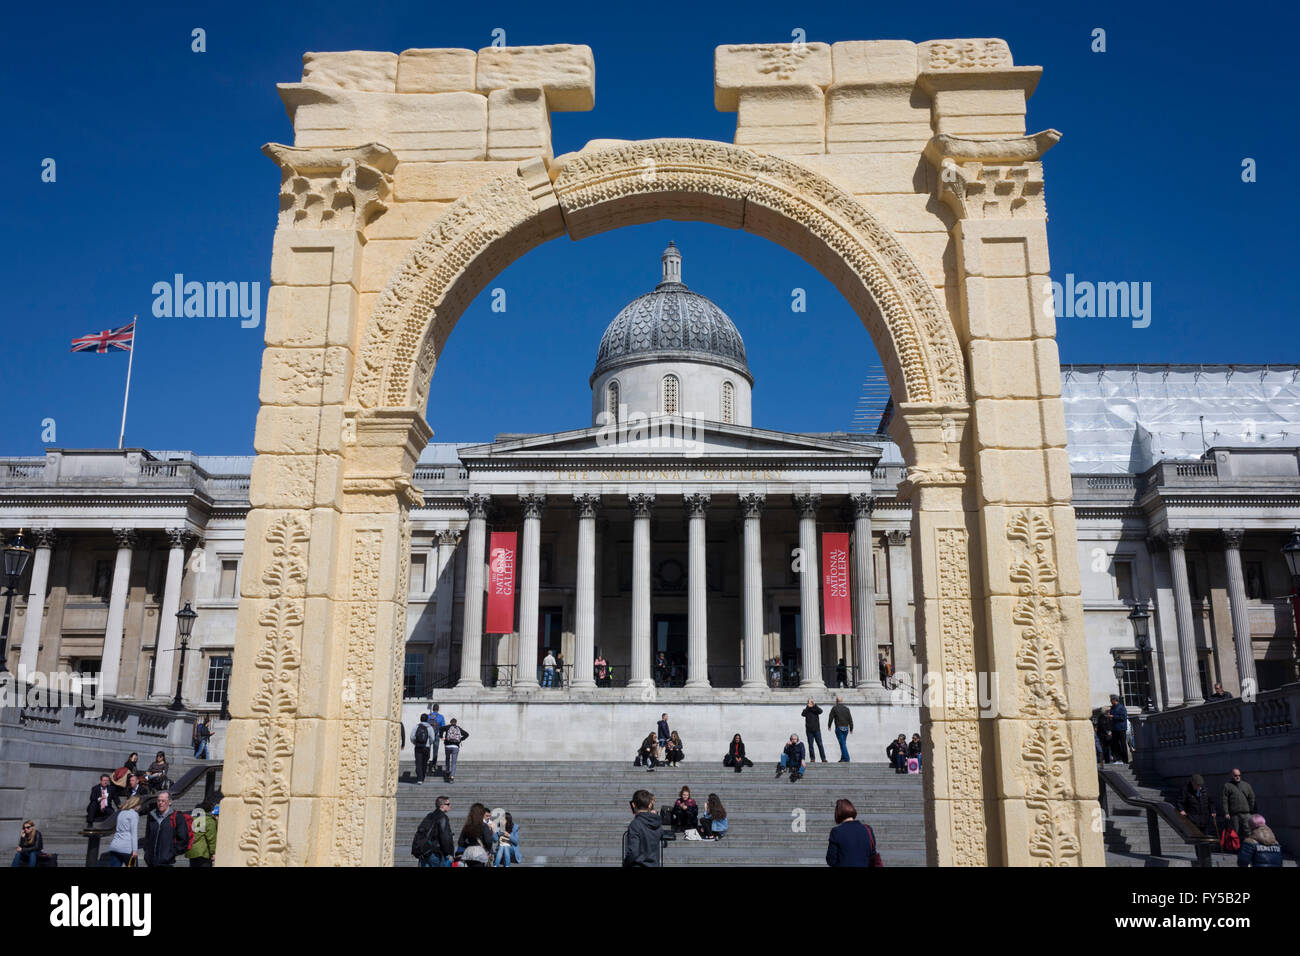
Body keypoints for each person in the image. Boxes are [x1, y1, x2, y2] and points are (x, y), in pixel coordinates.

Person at [144, 791, 190, 868]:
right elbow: (148, 835)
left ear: (169, 802)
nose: (160, 803)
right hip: (151, 861)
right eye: (158, 800)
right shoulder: (152, 815)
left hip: (166, 862)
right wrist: (147, 852)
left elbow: (184, 839)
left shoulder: (177, 817)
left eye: (163, 801)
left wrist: (171, 853)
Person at [826, 798, 878, 867]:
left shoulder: (836, 832)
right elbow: (873, 855)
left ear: (837, 813)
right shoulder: (867, 829)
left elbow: (831, 860)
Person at [1179, 774, 1217, 868]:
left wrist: (1213, 811)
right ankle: (1200, 858)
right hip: (1193, 819)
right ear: (1193, 783)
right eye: (1197, 785)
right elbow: (1180, 801)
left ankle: (1207, 858)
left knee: (1206, 839)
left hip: (1204, 819)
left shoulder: (1204, 790)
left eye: (1200, 785)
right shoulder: (1186, 790)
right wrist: (1182, 810)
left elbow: (1211, 802)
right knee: (1198, 841)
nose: (1199, 787)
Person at [623, 789, 663, 867]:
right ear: (649, 805)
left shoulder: (635, 824)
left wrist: (626, 863)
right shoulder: (657, 822)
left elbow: (634, 851)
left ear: (634, 805)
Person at [413, 795, 455, 867]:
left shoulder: (430, 815)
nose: (450, 806)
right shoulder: (443, 818)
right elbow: (445, 837)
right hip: (436, 853)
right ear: (442, 806)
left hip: (426, 851)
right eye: (448, 804)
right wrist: (449, 853)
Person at [1221, 768, 1257, 839]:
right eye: (1235, 775)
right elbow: (1224, 800)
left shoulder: (1246, 785)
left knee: (1248, 833)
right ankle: (1235, 849)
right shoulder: (1227, 786)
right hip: (1234, 815)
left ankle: (1249, 848)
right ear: (1231, 775)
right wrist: (1226, 812)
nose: (1237, 777)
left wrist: (1251, 810)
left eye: (1239, 775)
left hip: (1246, 814)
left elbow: (1252, 798)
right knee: (1234, 833)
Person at [106, 796, 142, 867]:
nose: (140, 806)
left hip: (115, 845)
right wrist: (135, 850)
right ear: (136, 804)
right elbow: (134, 833)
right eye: (140, 804)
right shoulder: (134, 814)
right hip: (127, 848)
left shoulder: (121, 813)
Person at [185, 801, 218, 867]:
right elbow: (211, 839)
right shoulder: (209, 820)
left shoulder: (193, 819)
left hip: (192, 851)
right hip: (203, 852)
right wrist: (213, 852)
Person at [828, 696, 854, 762]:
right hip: (846, 728)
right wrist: (851, 728)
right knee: (843, 743)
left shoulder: (834, 708)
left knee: (842, 744)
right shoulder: (846, 709)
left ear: (836, 701)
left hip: (839, 728)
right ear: (842, 701)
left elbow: (831, 717)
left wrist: (829, 725)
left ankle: (847, 758)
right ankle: (843, 758)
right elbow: (850, 719)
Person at [442, 718, 468, 782]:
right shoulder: (458, 728)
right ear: (456, 722)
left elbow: (440, 729)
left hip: (447, 746)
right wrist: (460, 739)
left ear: (450, 722)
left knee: (447, 759)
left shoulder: (447, 727)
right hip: (455, 747)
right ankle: (452, 776)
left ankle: (447, 771)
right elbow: (467, 734)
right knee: (454, 762)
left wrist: (442, 737)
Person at [801, 698, 827, 763]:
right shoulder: (806, 710)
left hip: (817, 730)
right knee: (810, 745)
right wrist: (808, 707)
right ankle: (812, 758)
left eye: (812, 701)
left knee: (820, 744)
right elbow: (803, 714)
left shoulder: (816, 709)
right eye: (810, 702)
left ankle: (823, 759)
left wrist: (814, 705)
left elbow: (821, 711)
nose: (811, 703)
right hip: (809, 730)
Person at [411, 713, 433, 784]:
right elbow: (432, 738)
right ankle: (422, 777)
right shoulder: (429, 727)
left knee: (418, 763)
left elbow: (411, 737)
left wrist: (415, 743)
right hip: (426, 747)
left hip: (418, 747)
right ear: (427, 719)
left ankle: (419, 779)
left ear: (420, 719)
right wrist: (429, 744)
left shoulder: (416, 726)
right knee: (424, 762)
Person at [1108, 695, 1129, 764]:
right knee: (1115, 745)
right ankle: (1118, 759)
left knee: (1122, 744)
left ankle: (1125, 760)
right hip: (1114, 728)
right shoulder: (1112, 708)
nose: (1110, 701)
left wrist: (1113, 716)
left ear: (1114, 700)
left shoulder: (1121, 707)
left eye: (1111, 700)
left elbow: (1123, 717)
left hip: (1121, 728)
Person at [429, 704, 446, 771]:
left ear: (433, 709)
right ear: (438, 709)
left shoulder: (429, 716)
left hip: (429, 735)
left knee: (428, 748)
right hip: (437, 735)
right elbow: (443, 727)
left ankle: (426, 761)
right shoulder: (441, 717)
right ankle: (433, 765)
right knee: (435, 750)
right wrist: (441, 735)